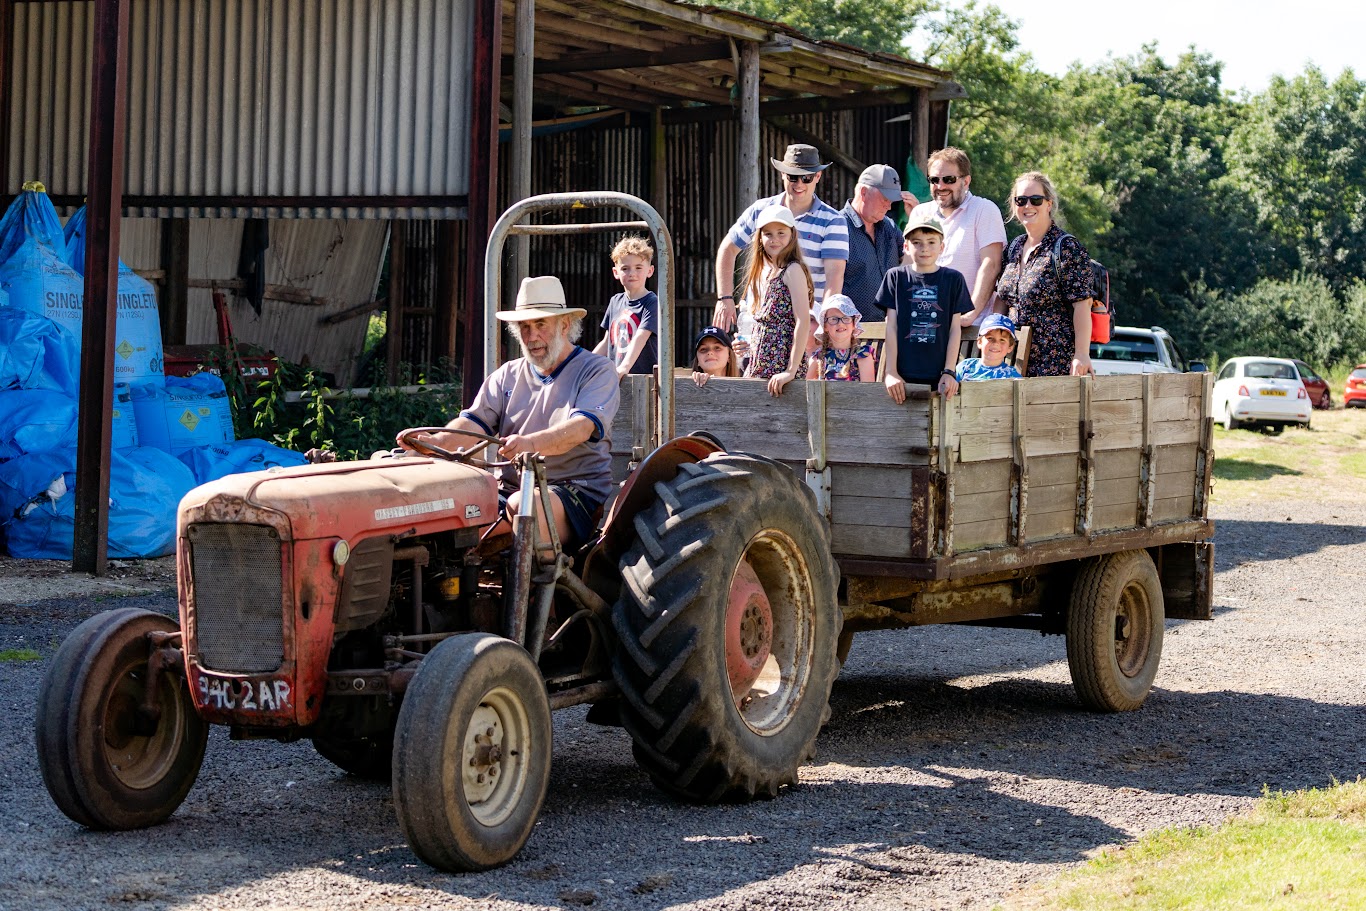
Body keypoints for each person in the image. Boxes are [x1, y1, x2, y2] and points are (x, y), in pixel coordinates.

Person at [408, 276, 619, 550]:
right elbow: (473, 425)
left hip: (575, 491)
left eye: (540, 324)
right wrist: (434, 443)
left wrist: (530, 444)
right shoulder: (506, 375)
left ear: (565, 325)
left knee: (523, 506)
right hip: (509, 490)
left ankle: (537, 590)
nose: (531, 337)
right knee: (445, 506)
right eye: (524, 327)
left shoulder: (596, 370)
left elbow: (581, 428)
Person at [713, 143, 848, 330]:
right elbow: (727, 249)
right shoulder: (760, 210)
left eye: (806, 178)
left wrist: (823, 324)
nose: (799, 184)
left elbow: (834, 279)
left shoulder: (833, 220)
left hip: (808, 323)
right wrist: (724, 298)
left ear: (818, 176)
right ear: (783, 174)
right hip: (760, 321)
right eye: (793, 177)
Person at [993, 171, 1095, 378]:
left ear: (1049, 204)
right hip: (1011, 361)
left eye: (1036, 200)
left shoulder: (1066, 247)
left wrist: (1082, 354)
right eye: (1021, 200)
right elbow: (1002, 300)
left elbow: (1082, 304)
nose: (1027, 206)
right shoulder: (1014, 247)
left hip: (1052, 363)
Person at [876, 213, 971, 404]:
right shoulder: (895, 277)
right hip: (902, 376)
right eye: (917, 242)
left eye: (931, 242)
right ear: (906, 246)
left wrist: (949, 371)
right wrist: (891, 372)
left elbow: (954, 329)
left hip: (939, 376)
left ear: (941, 246)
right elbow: (891, 326)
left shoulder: (954, 279)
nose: (924, 248)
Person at [908, 147, 1007, 328]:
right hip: (925, 323)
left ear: (966, 181)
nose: (940, 186)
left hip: (969, 328)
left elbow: (991, 265)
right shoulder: (920, 213)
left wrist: (971, 313)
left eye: (949, 179)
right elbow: (908, 266)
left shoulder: (984, 209)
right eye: (934, 180)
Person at [739, 205, 813, 397]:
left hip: (780, 369)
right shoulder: (767, 273)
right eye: (768, 234)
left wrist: (790, 370)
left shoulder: (793, 270)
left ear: (792, 235)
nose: (774, 239)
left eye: (781, 233)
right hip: (760, 367)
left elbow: (803, 321)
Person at [839, 164, 906, 320]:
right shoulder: (838, 227)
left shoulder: (889, 226)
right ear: (863, 193)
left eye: (892, 200)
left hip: (892, 329)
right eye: (884, 199)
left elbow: (915, 261)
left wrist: (916, 218)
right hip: (853, 333)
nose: (889, 206)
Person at [593, 235, 658, 379]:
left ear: (650, 271)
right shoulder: (615, 301)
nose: (632, 273)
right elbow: (607, 342)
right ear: (616, 273)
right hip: (616, 378)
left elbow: (641, 336)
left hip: (643, 381)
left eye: (638, 267)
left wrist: (624, 367)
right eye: (625, 268)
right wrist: (587, 364)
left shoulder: (652, 303)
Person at [806, 294, 875, 382]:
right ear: (825, 326)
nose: (840, 323)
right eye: (833, 319)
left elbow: (868, 392)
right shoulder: (818, 358)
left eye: (846, 318)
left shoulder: (862, 356)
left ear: (854, 323)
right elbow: (807, 391)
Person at [955, 313, 1022, 382]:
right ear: (980, 342)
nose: (996, 343)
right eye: (990, 338)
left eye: (1002, 340)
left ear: (1010, 347)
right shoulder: (965, 367)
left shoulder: (1012, 376)